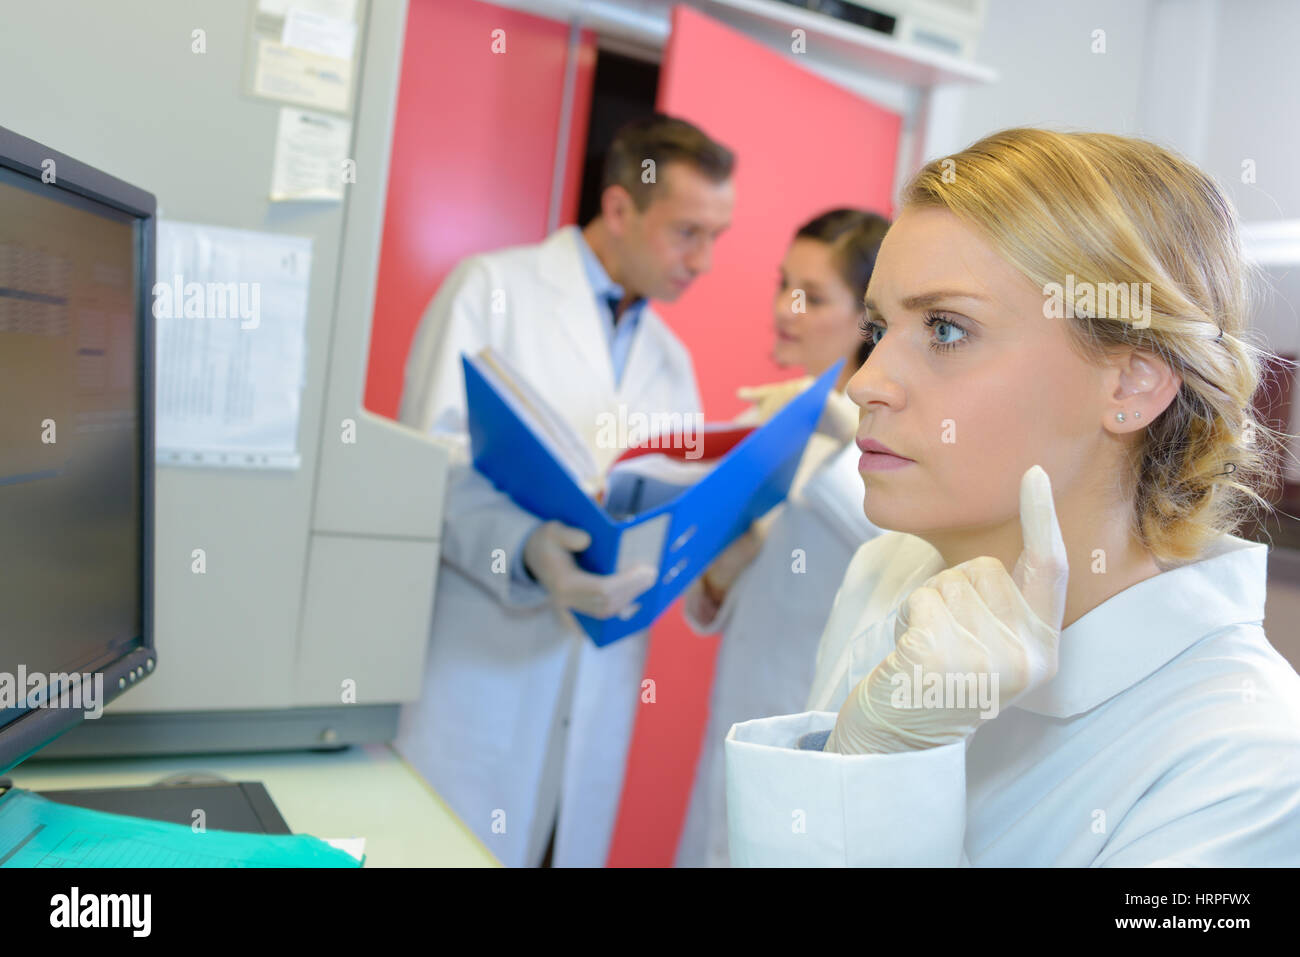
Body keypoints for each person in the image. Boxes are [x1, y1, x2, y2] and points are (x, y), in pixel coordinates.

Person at [724, 127, 1300, 866]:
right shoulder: (886, 571)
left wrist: (882, 771)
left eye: (946, 328)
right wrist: (868, 752)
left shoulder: (1250, 764)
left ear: (1130, 383)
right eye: (878, 327)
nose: (865, 380)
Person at [395, 114, 735, 867]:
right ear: (620, 208)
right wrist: (528, 549)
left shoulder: (671, 360)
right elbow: (432, 468)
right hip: (476, 676)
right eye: (687, 232)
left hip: (595, 693)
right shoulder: (491, 290)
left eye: (718, 235)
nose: (704, 260)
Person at [674, 209, 890, 867]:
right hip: (733, 731)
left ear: (868, 319)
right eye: (783, 285)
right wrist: (717, 575)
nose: (786, 309)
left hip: (822, 756)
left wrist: (839, 424)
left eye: (814, 296)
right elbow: (711, 609)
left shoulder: (896, 442)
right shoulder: (760, 421)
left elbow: (904, 545)